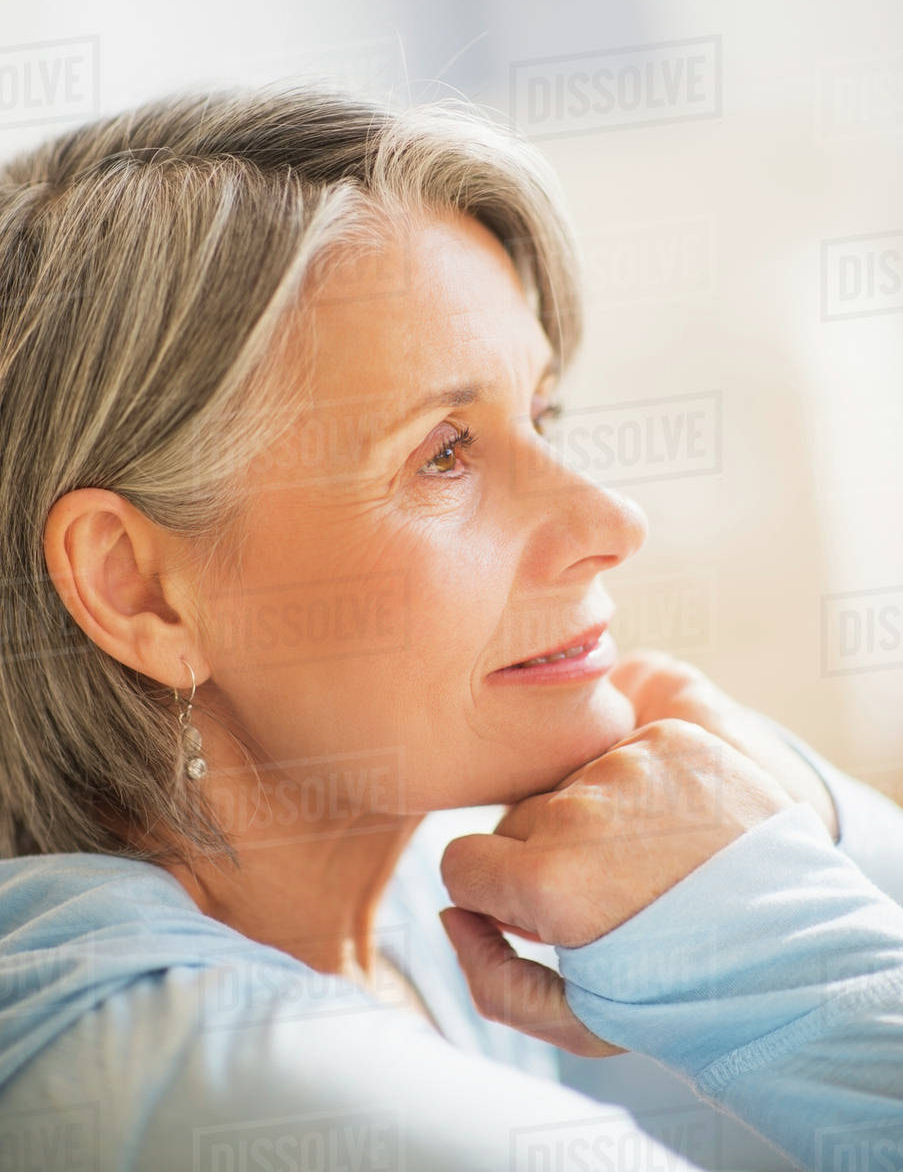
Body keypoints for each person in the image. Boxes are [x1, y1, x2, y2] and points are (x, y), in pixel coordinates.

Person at [0, 84, 900, 1172]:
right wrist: (781, 956)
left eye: (541, 416)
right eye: (444, 454)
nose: (611, 522)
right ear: (141, 591)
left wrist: (788, 802)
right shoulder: (198, 1074)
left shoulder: (432, 893)